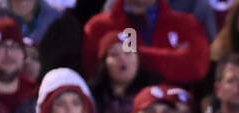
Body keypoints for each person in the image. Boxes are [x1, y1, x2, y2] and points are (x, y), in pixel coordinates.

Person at [81, 0, 212, 88]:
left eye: (128, 54)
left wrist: (135, 54)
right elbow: (93, 70)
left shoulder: (187, 23)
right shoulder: (99, 26)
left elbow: (197, 68)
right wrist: (174, 58)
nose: (126, 57)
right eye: (116, 54)